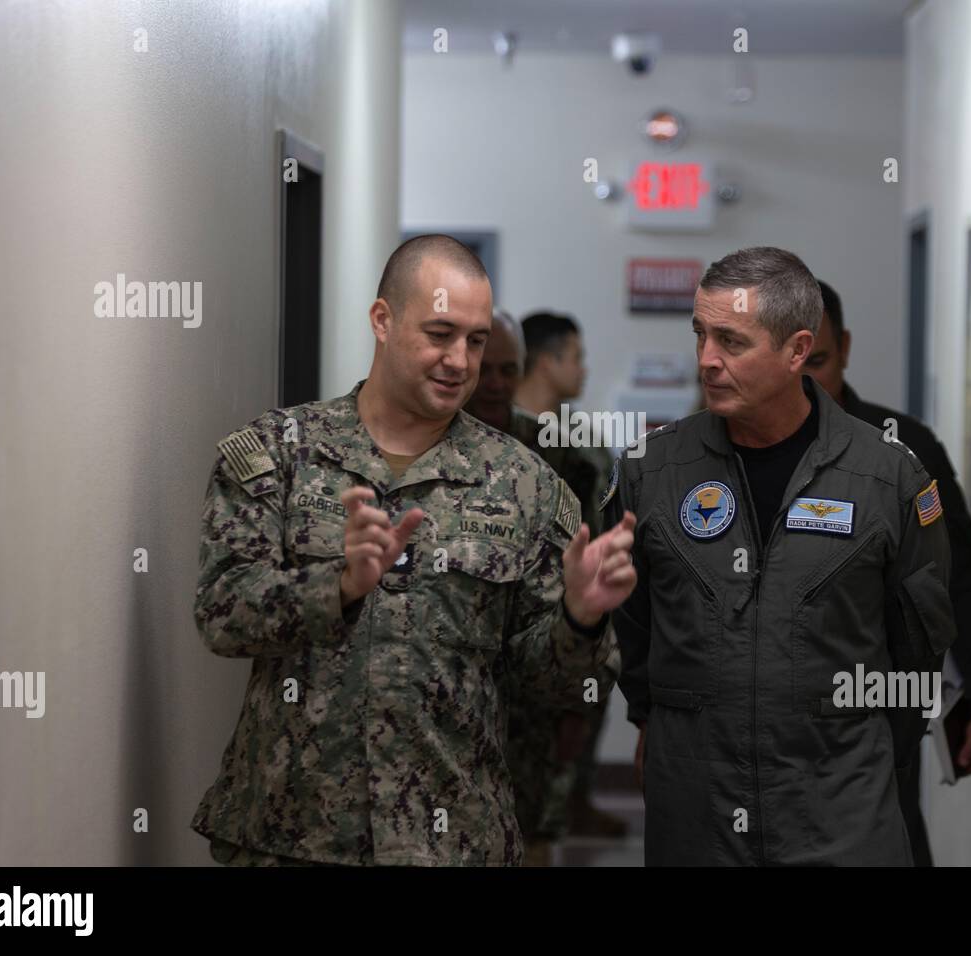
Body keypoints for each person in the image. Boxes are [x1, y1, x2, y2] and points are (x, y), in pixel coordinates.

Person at [189, 235, 637, 866]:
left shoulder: (525, 483)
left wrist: (580, 617)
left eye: (476, 341)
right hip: (290, 837)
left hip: (453, 842)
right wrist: (335, 586)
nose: (460, 360)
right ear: (382, 320)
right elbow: (223, 614)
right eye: (440, 333)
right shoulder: (280, 455)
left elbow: (556, 686)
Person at [607, 246, 956, 865]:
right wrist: (659, 723)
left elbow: (918, 651)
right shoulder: (652, 472)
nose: (707, 361)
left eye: (731, 342)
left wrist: (854, 749)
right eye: (701, 336)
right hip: (698, 816)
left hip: (840, 816)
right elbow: (631, 628)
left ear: (798, 350)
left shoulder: (887, 478)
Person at [803, 279, 971, 866]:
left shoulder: (904, 449)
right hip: (756, 719)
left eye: (819, 361)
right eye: (793, 363)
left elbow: (958, 571)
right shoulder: (729, 451)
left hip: (880, 707)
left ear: (843, 346)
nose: (805, 385)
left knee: (892, 842)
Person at [464, 310, 619, 863]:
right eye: (487, 370)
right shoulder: (437, 448)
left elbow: (590, 586)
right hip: (454, 705)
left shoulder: (558, 458)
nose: (498, 383)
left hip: (535, 700)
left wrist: (582, 704)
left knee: (532, 839)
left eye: (510, 369)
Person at [514, 311, 627, 840]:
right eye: (576, 356)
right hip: (530, 613)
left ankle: (572, 805)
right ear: (547, 359)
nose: (583, 368)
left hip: (588, 608)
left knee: (581, 716)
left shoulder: (583, 442)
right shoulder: (504, 439)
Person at [514, 311, 587, 418]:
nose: (583, 371)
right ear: (546, 362)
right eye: (576, 359)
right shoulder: (494, 419)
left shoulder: (578, 432)